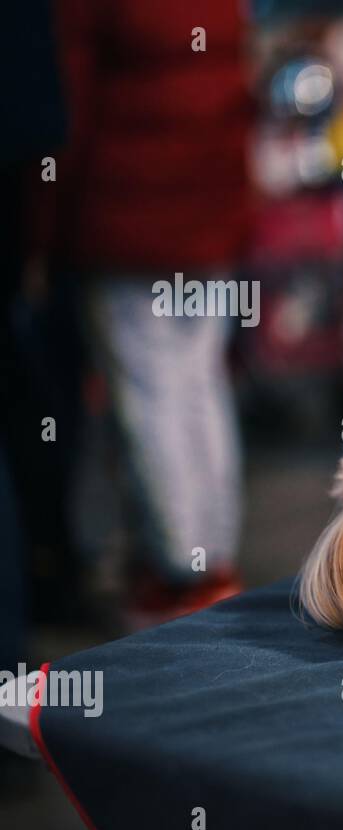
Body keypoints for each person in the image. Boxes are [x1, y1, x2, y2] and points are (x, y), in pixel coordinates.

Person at [29, 0, 255, 625]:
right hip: (208, 224)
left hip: (126, 230)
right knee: (200, 388)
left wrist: (40, 236)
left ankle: (182, 572)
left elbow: (63, 115)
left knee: (151, 398)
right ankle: (213, 559)